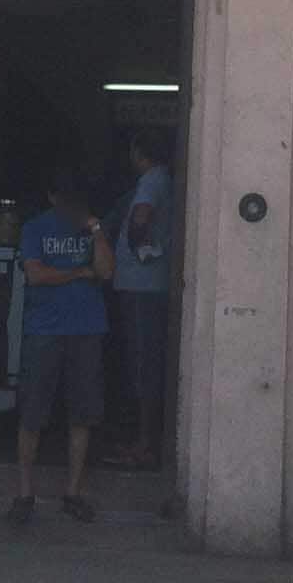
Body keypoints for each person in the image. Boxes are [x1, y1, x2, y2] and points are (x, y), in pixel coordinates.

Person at [11, 166, 114, 526]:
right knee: (33, 413)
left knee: (82, 413)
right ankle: (25, 492)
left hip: (85, 329)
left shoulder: (90, 229)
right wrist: (77, 273)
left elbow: (105, 271)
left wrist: (97, 231)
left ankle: (73, 491)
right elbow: (36, 273)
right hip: (46, 329)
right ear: (52, 197)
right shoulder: (36, 228)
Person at [102, 130, 174, 470]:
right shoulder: (165, 180)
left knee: (143, 363)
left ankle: (145, 444)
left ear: (138, 151)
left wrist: (137, 245)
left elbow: (140, 216)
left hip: (142, 286)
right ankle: (145, 439)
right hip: (150, 286)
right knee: (146, 361)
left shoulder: (150, 181)